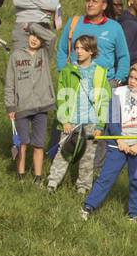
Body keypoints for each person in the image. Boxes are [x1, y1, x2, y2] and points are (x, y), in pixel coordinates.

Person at [81, 61, 137, 220]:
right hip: (118, 143)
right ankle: (88, 207)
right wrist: (120, 140)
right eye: (131, 77)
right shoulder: (118, 93)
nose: (131, 81)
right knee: (106, 177)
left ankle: (133, 214)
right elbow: (112, 120)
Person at [45, 34, 108, 193]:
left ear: (91, 51)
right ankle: (52, 183)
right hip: (72, 119)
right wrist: (64, 120)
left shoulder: (100, 72)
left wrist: (100, 125)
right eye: (77, 48)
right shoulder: (68, 70)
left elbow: (104, 101)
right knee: (63, 152)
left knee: (88, 157)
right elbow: (62, 97)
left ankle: (83, 187)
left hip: (92, 121)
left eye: (83, 49)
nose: (79, 52)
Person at [2, 21, 55, 183]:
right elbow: (9, 83)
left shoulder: (44, 54)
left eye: (39, 37)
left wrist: (32, 25)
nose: (34, 39)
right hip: (21, 107)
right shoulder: (16, 56)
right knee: (22, 143)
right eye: (32, 35)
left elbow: (51, 37)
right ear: (27, 36)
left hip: (41, 106)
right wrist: (10, 106)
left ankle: (38, 178)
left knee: (38, 144)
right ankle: (21, 176)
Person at [57, 0, 128, 84]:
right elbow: (62, 50)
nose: (90, 4)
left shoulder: (115, 27)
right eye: (88, 1)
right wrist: (63, 73)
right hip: (75, 81)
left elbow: (123, 56)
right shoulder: (73, 22)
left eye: (94, 1)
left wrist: (118, 80)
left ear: (104, 6)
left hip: (104, 84)